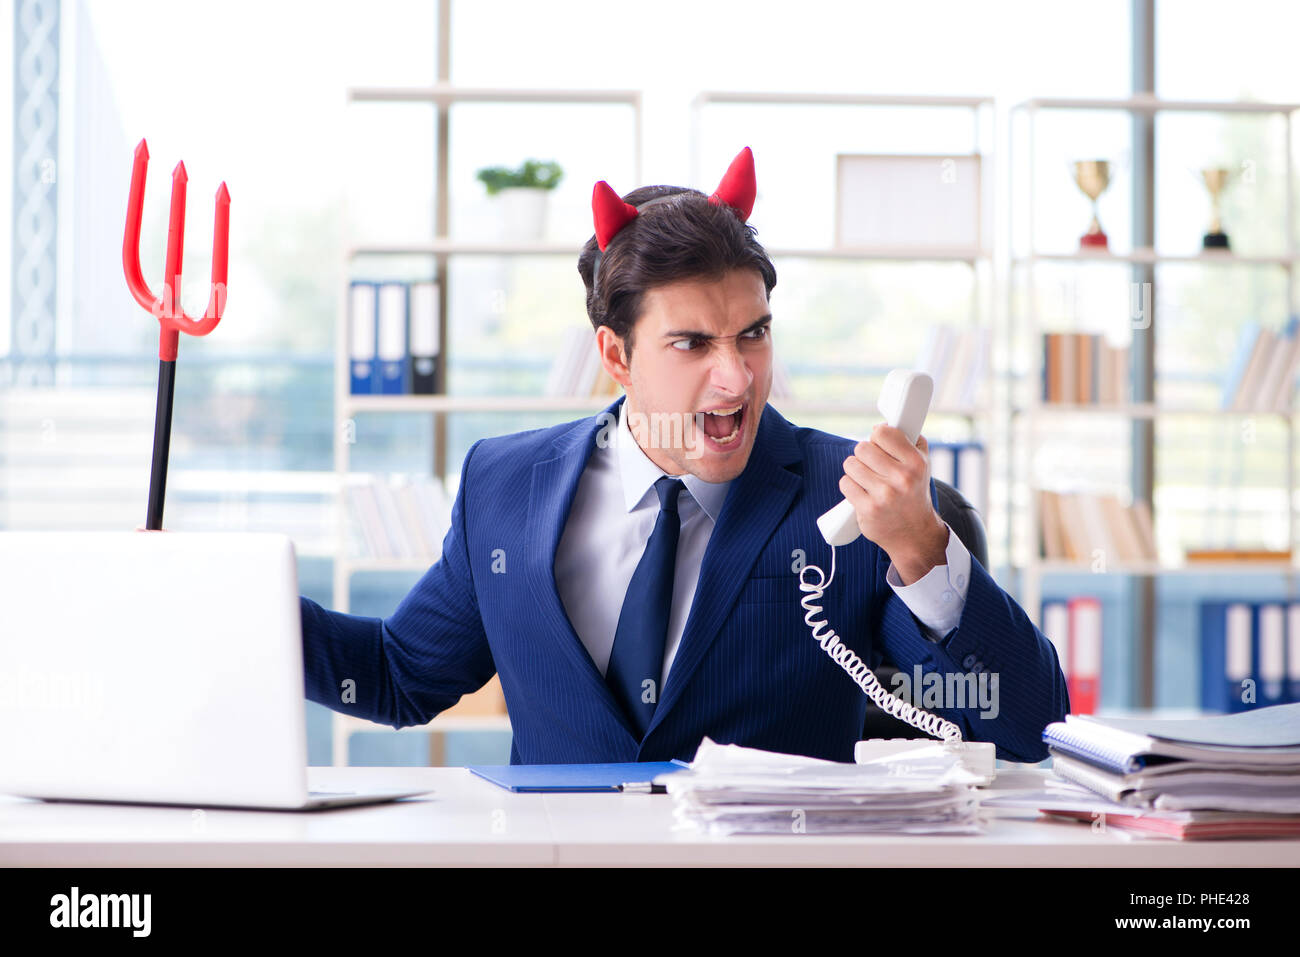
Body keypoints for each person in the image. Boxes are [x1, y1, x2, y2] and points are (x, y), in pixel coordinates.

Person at [301, 147, 1068, 764]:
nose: (736, 376)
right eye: (693, 342)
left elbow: (1028, 726)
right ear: (617, 354)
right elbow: (399, 678)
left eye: (754, 334)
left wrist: (922, 551)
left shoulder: (851, 504)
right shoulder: (504, 485)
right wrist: (227, 602)